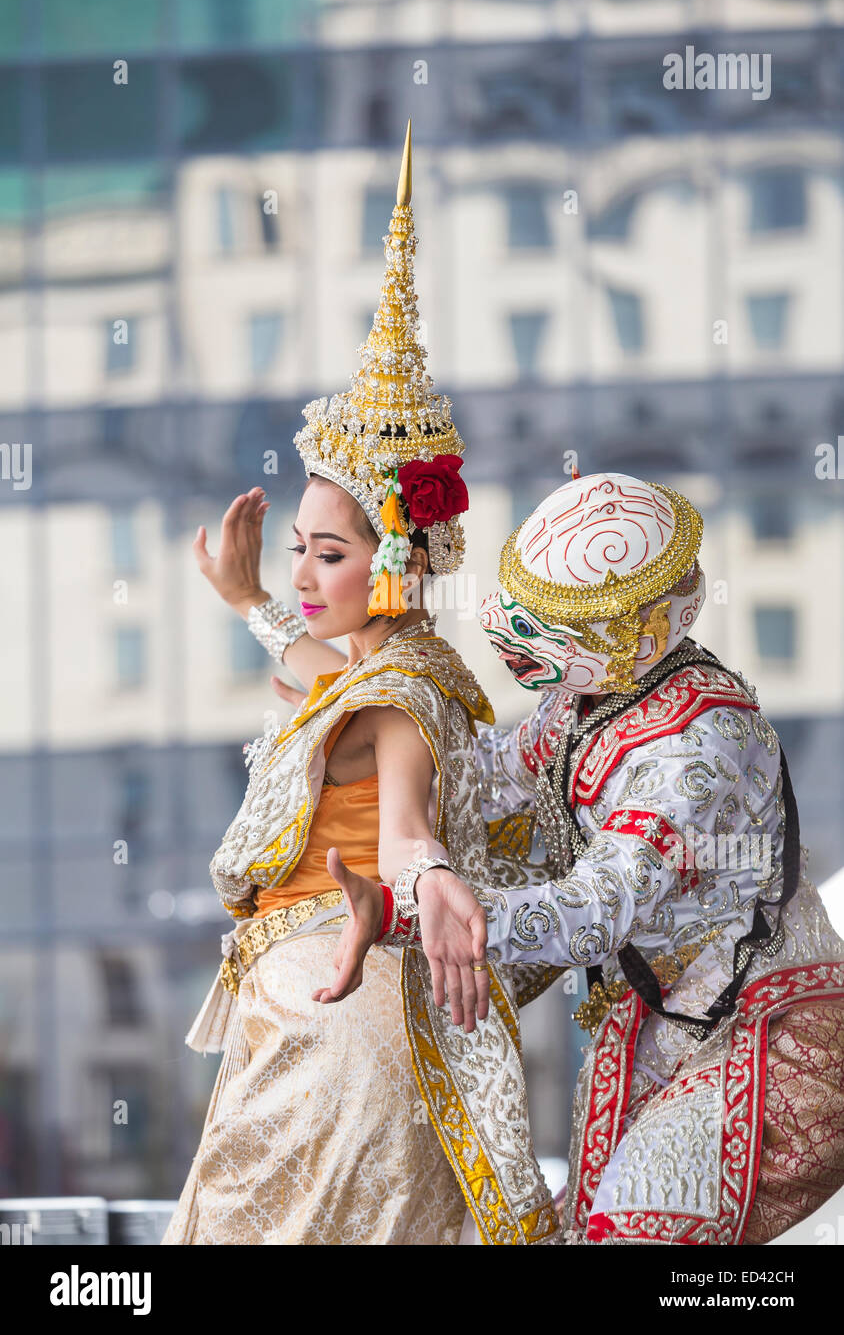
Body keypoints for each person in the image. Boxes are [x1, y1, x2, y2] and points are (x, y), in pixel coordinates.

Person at [161, 125, 560, 1246]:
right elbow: (308, 667)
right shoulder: (380, 667)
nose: (301, 572)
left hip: (328, 1001)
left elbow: (403, 824)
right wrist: (247, 602)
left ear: (394, 558)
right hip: (329, 991)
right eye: (298, 546)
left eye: (326, 554)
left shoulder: (400, 692)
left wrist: (422, 879)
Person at [325, 470, 844, 1245]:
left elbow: (593, 913)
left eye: (543, 627)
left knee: (627, 1236)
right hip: (653, 1027)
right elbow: (487, 772)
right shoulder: (593, 698)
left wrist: (404, 909)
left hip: (765, 1039)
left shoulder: (696, 749)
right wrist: (348, 721)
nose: (509, 636)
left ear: (630, 633)